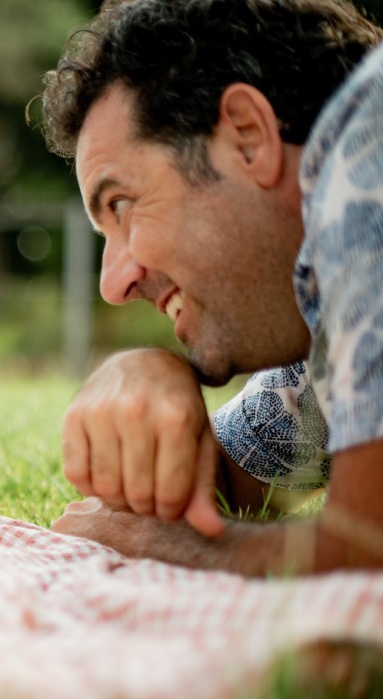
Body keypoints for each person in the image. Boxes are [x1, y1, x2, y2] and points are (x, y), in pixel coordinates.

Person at [38, 0, 383, 574]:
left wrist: (171, 552)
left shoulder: (364, 157)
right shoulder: (337, 315)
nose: (113, 283)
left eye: (121, 203)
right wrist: (154, 371)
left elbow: (363, 549)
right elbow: (220, 488)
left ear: (249, 136)